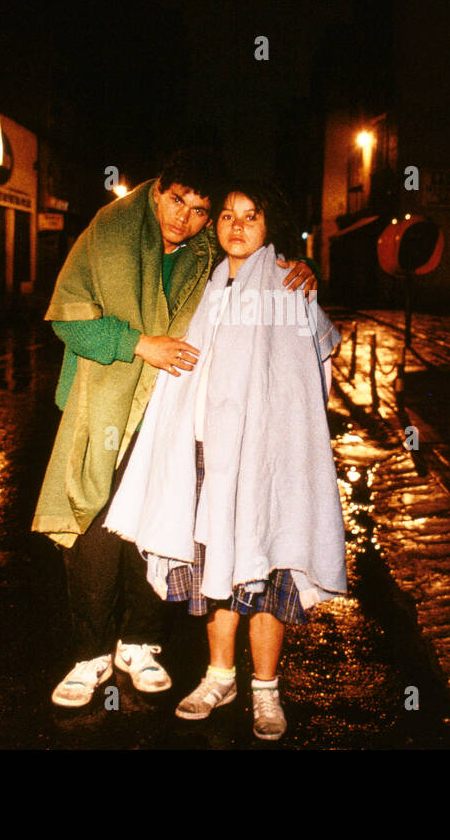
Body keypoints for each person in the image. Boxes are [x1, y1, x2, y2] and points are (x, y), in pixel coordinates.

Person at [33, 153, 316, 709]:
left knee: (157, 524)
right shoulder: (109, 234)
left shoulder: (207, 251)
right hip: (104, 406)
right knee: (93, 525)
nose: (183, 218)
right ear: (156, 192)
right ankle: (89, 653)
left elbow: (255, 254)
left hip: (168, 410)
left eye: (198, 210)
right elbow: (67, 317)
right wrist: (141, 344)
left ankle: (139, 643)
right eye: (176, 200)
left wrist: (301, 263)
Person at [104, 181, 346, 739]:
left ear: (269, 226)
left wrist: (304, 271)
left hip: (267, 459)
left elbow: (315, 363)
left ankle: (265, 688)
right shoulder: (206, 282)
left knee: (266, 567)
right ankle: (219, 676)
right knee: (218, 567)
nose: (237, 226)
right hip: (206, 453)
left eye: (252, 216)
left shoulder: (286, 284)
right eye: (229, 216)